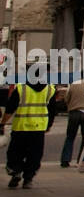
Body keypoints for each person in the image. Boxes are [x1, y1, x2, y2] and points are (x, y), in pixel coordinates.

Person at [2, 57, 63, 188]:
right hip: (38, 128)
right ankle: (28, 178)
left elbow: (10, 109)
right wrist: (49, 125)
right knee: (34, 154)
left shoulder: (21, 88)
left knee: (15, 152)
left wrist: (2, 122)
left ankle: (16, 171)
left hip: (20, 128)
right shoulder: (50, 90)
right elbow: (52, 110)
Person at [60, 74, 84, 167]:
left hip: (74, 112)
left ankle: (65, 160)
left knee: (70, 137)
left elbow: (66, 98)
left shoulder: (74, 84)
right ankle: (81, 160)